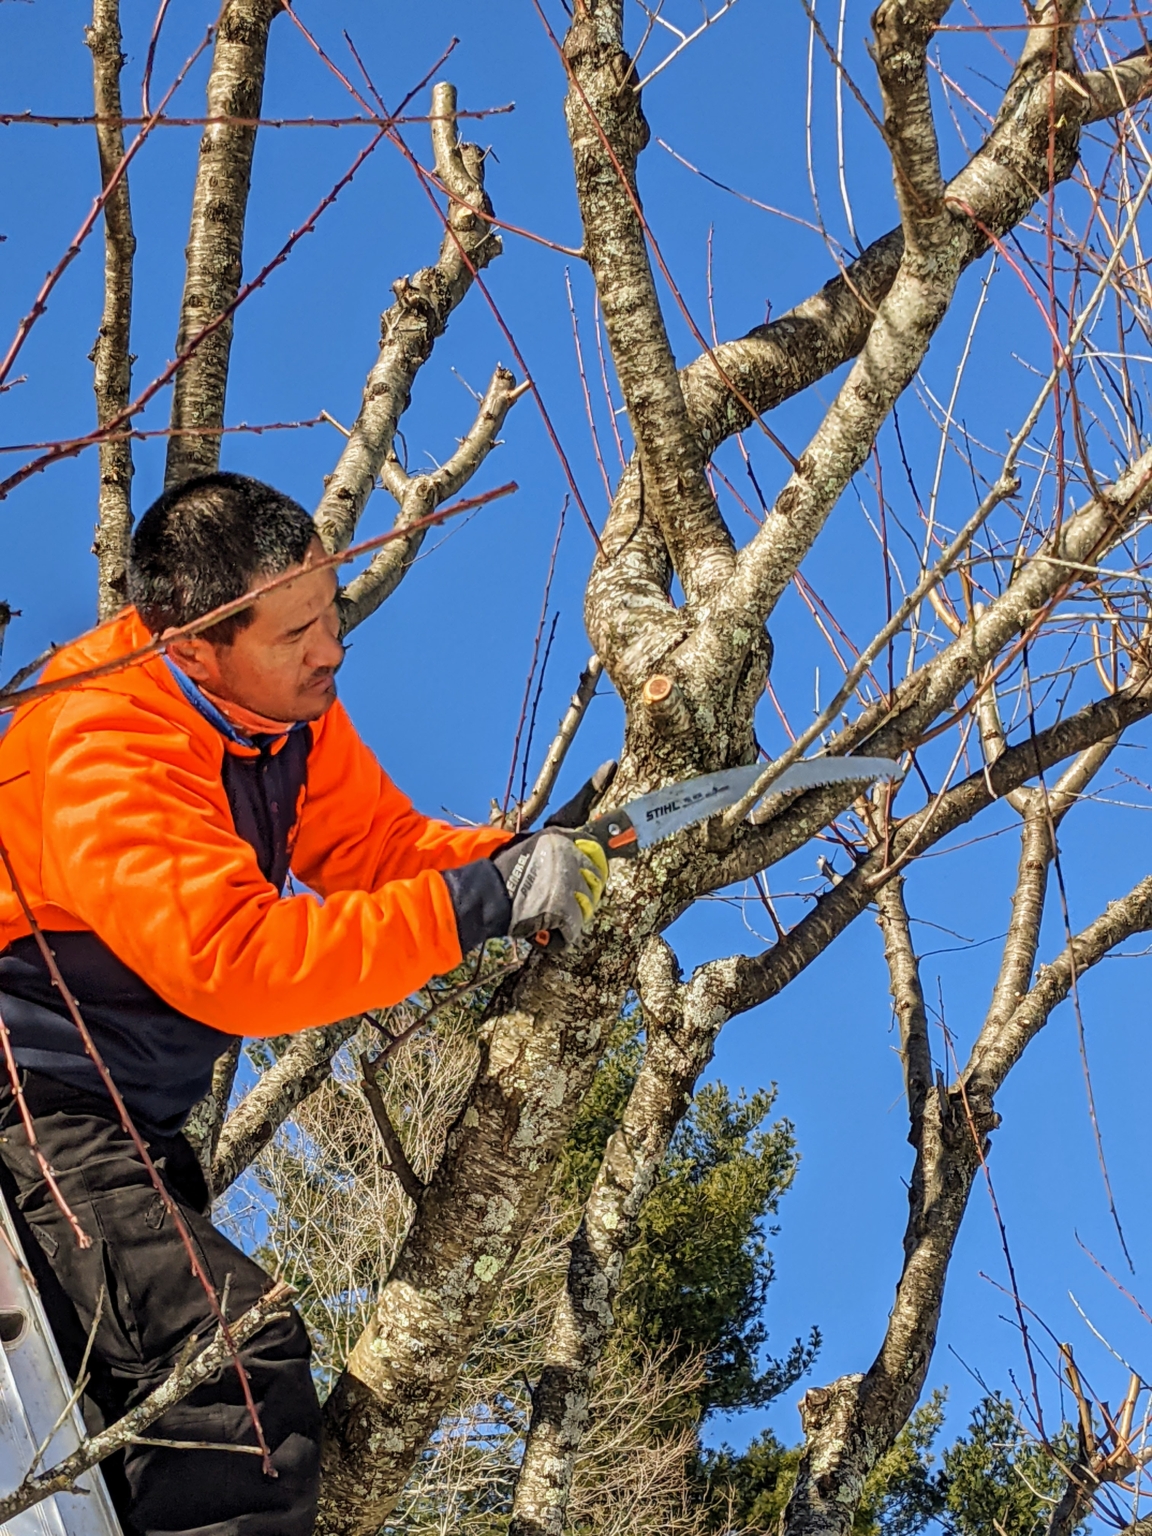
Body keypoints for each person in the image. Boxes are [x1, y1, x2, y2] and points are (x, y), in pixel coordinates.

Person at [0, 473, 611, 1536]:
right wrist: (479, 905)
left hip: (123, 1127)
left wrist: (518, 861)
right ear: (193, 644)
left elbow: (379, 848)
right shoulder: (100, 739)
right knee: (230, 1366)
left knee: (140, 1435)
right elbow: (242, 961)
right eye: (295, 634)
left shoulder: (278, 714)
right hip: (32, 1118)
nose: (330, 650)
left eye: (330, 614)